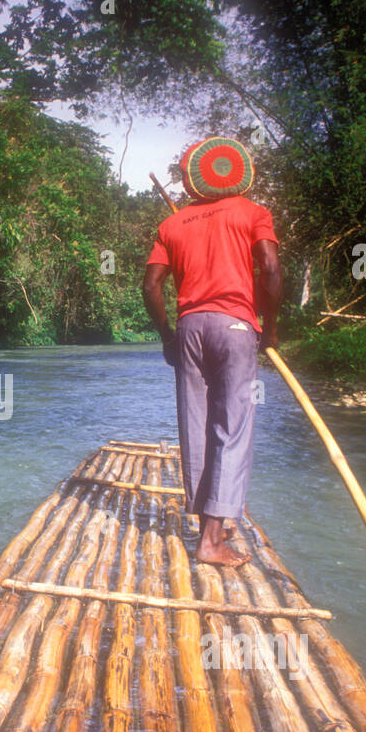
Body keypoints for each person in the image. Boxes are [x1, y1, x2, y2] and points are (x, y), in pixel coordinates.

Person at [141, 137, 282, 567]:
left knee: (197, 425)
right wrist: (270, 329)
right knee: (232, 428)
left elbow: (151, 286)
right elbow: (271, 269)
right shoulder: (253, 213)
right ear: (238, 175)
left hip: (190, 328)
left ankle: (209, 522)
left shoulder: (174, 224)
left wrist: (168, 335)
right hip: (236, 325)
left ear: (193, 180)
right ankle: (212, 540)